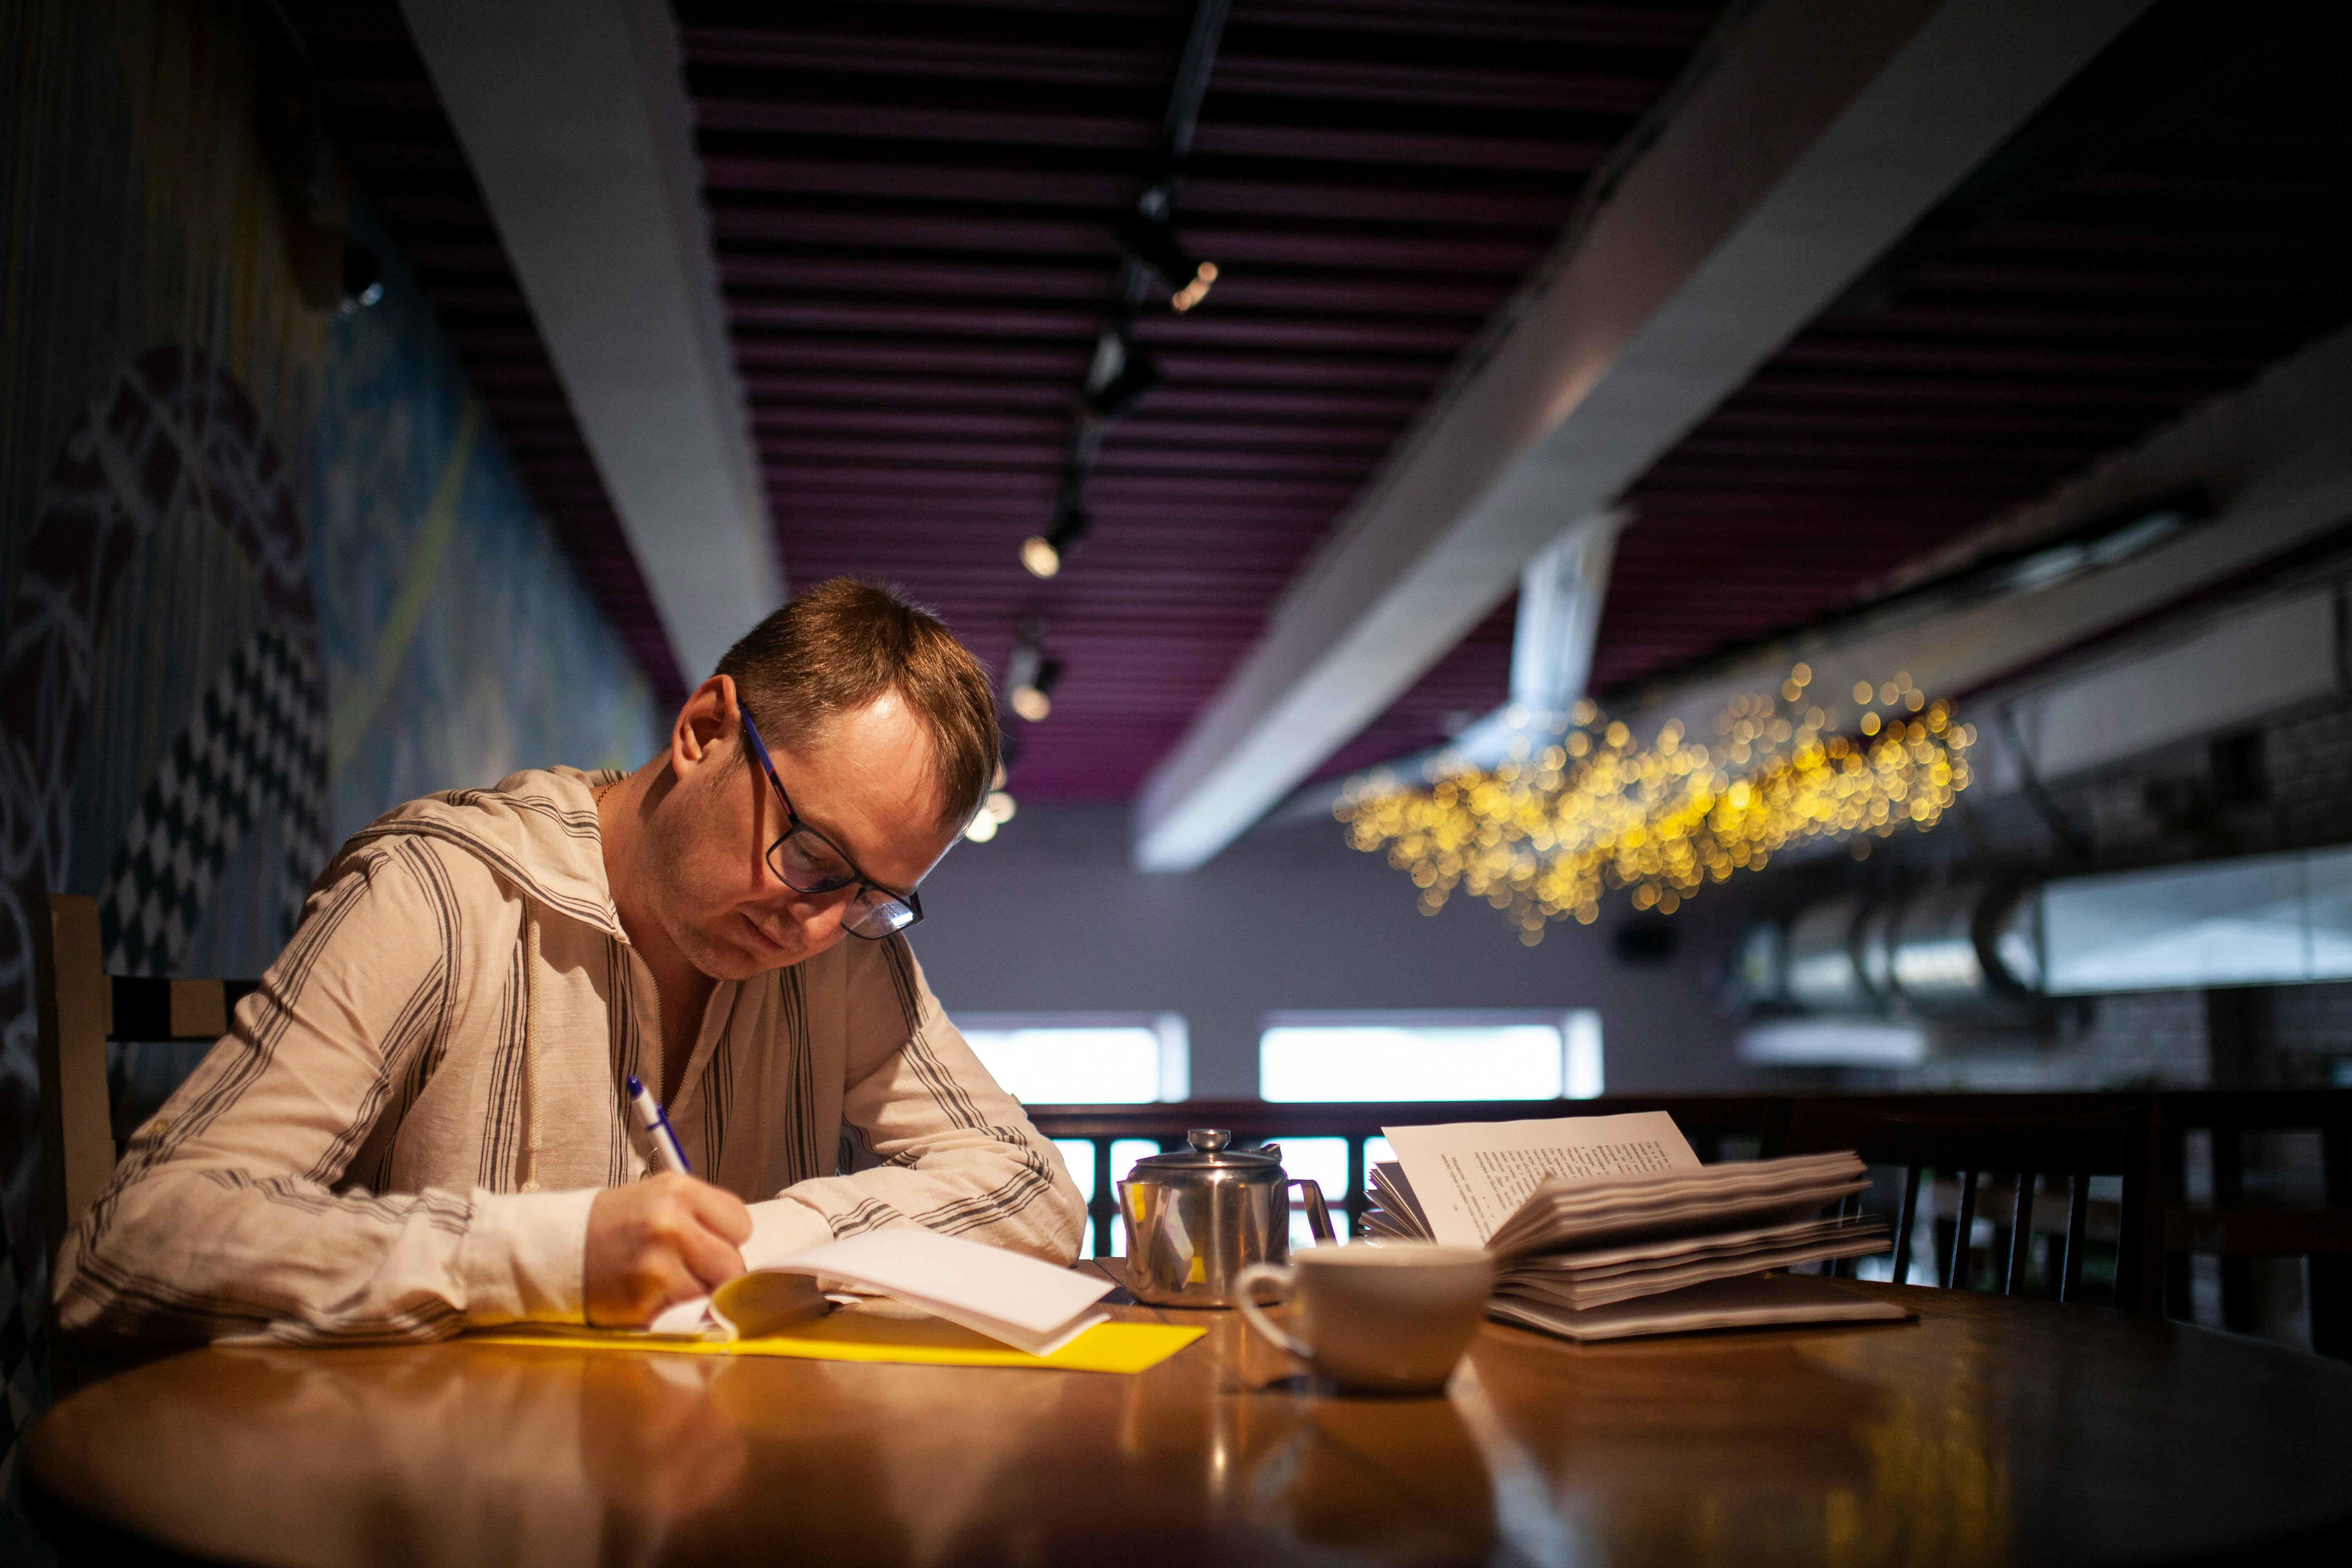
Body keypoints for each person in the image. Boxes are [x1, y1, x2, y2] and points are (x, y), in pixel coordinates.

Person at [54, 579, 1084, 1341]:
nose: (814, 926)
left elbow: (1033, 1190)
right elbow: (130, 1243)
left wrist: (776, 1239)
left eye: (871, 897)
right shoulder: (441, 893)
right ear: (706, 729)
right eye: (810, 856)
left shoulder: (837, 949)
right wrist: (552, 1254)